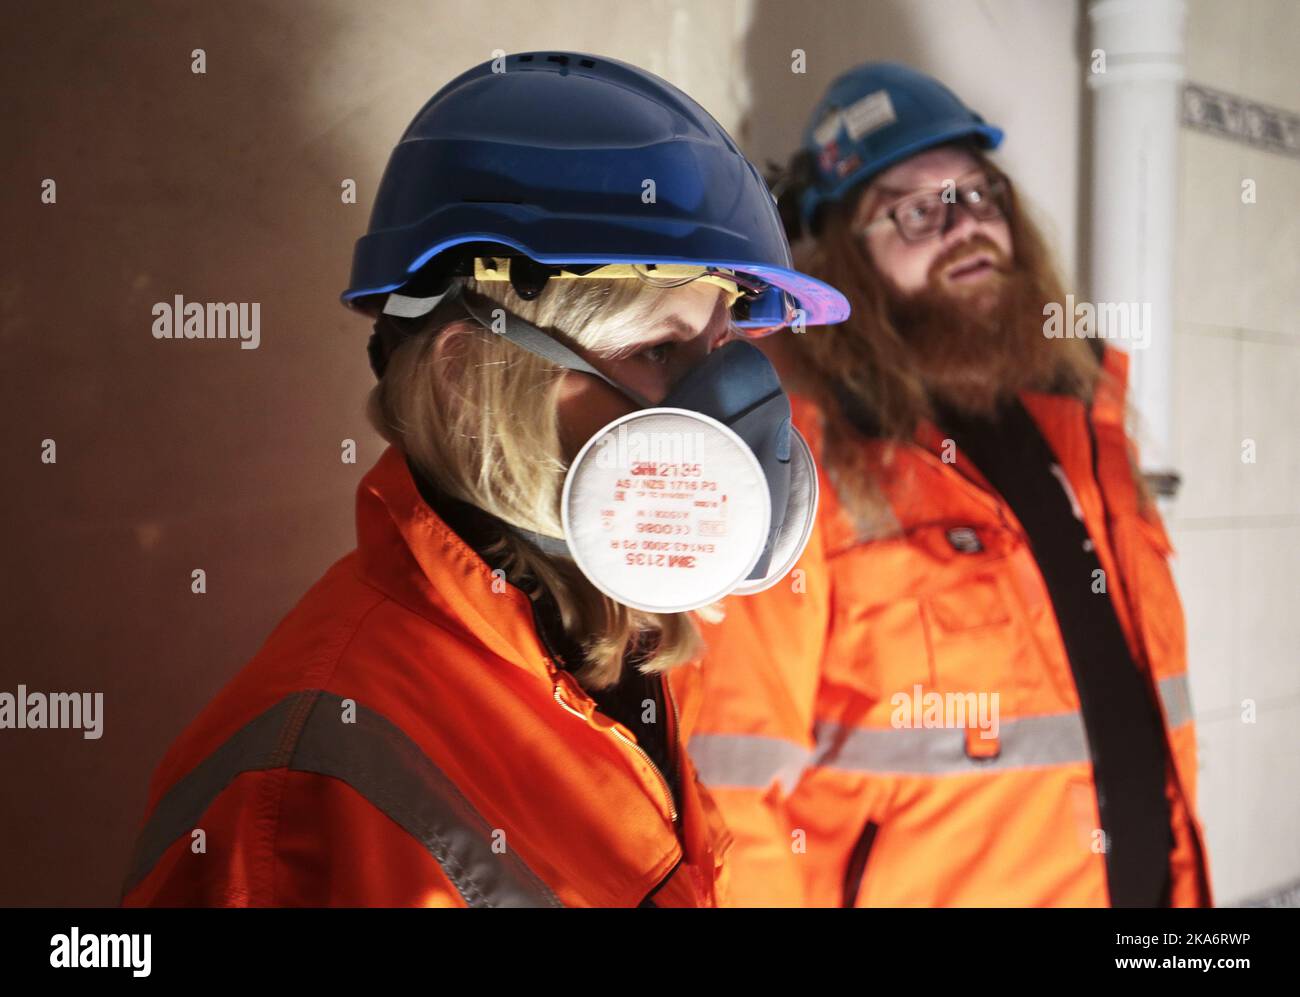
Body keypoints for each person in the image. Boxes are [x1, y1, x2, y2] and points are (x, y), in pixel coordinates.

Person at [119, 51, 848, 908]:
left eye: (724, 349)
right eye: (659, 351)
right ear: (474, 379)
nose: (726, 410)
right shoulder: (301, 792)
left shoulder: (602, 655)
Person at [688, 62, 1213, 907]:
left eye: (980, 195)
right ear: (842, 256)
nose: (966, 226)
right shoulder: (796, 451)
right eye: (917, 209)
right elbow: (729, 790)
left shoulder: (1083, 423)